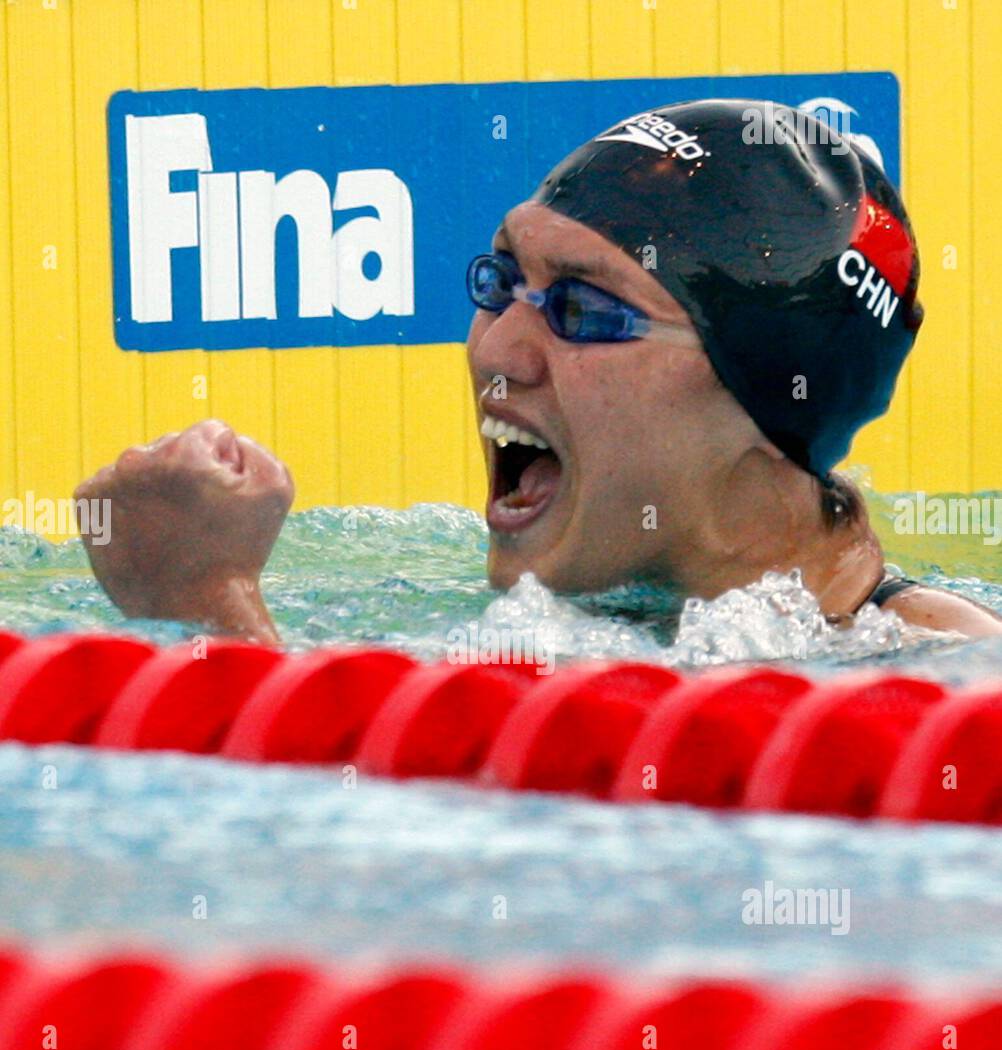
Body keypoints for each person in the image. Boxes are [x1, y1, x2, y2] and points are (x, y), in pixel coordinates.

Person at [74, 99, 1002, 644]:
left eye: (585, 312)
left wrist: (210, 607)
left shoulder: (931, 675)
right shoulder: (553, 619)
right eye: (504, 280)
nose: (497, 347)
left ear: (763, 415)